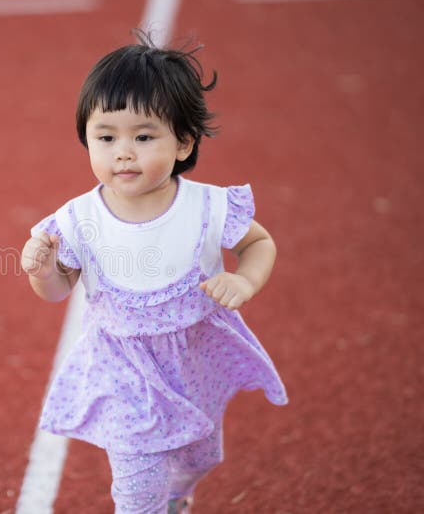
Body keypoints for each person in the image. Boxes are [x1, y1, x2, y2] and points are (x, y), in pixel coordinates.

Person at [19, 30, 289, 514]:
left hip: (193, 360)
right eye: (106, 137)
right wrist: (42, 270)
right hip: (122, 366)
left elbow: (259, 242)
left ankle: (177, 495)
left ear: (184, 143)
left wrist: (244, 279)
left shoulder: (207, 206)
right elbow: (58, 290)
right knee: (137, 485)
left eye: (143, 137)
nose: (123, 151)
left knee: (196, 456)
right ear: (87, 140)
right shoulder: (78, 220)